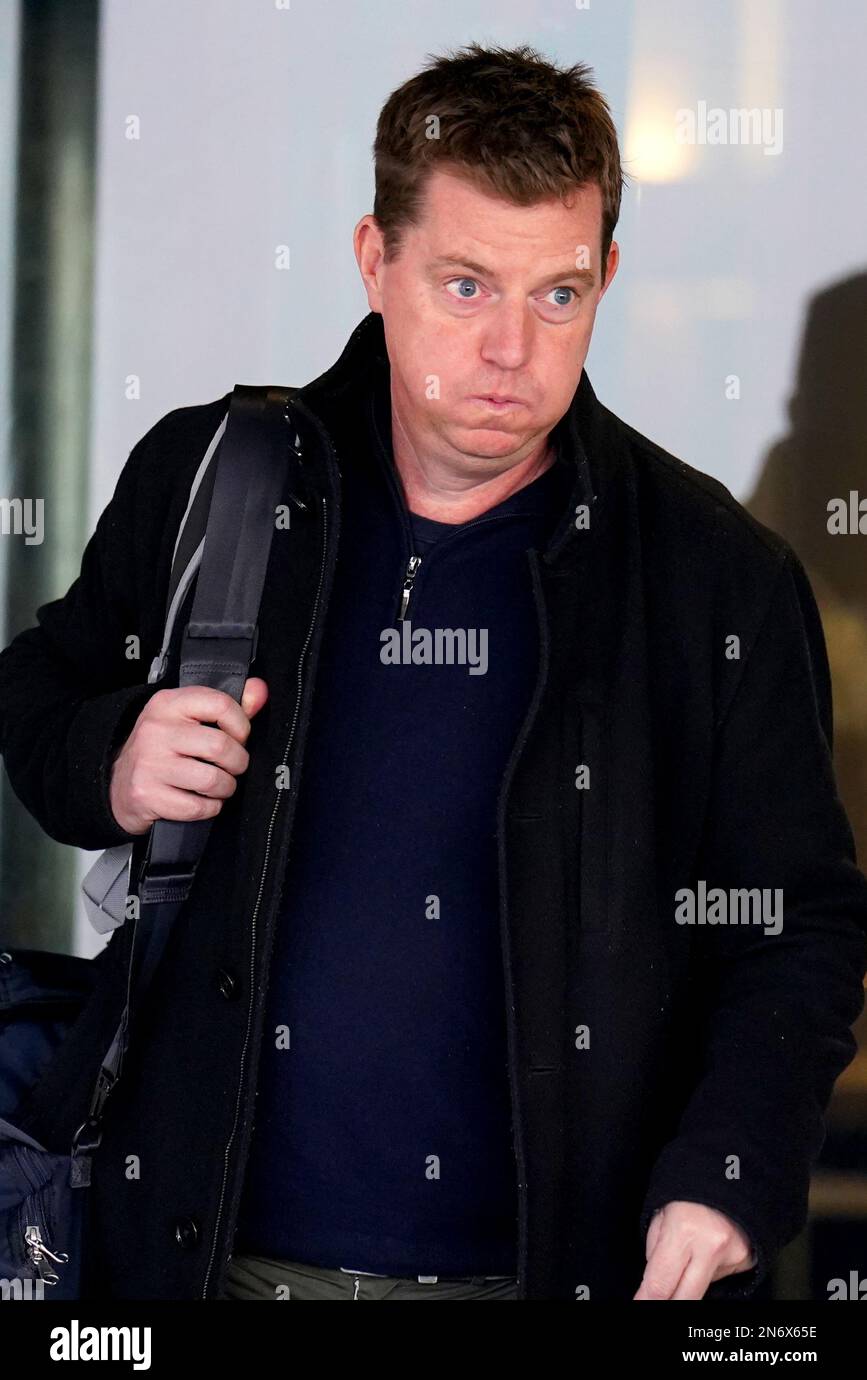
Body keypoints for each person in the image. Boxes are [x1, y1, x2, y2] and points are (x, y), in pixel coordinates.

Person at [1, 42, 866, 1303]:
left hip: (551, 1276)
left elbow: (798, 925)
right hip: (199, 1266)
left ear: (607, 276)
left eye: (558, 296)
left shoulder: (712, 576)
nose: (512, 349)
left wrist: (726, 1172)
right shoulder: (218, 483)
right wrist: (117, 762)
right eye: (465, 286)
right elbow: (35, 696)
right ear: (374, 260)